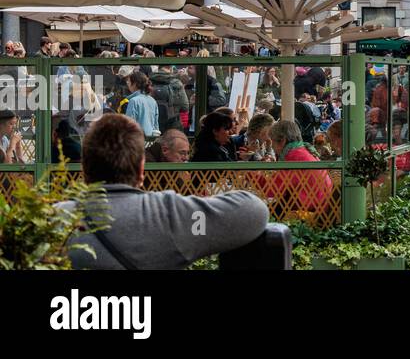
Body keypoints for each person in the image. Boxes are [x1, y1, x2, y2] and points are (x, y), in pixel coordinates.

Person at [61, 114, 269, 269]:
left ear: (84, 170)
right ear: (141, 169)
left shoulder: (57, 218)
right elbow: (254, 211)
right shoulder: (170, 214)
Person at [123, 70, 160, 137]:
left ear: (134, 84)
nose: (127, 84)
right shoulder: (153, 101)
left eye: (129, 81)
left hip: (136, 141)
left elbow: (128, 125)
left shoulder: (133, 101)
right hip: (150, 141)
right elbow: (156, 127)